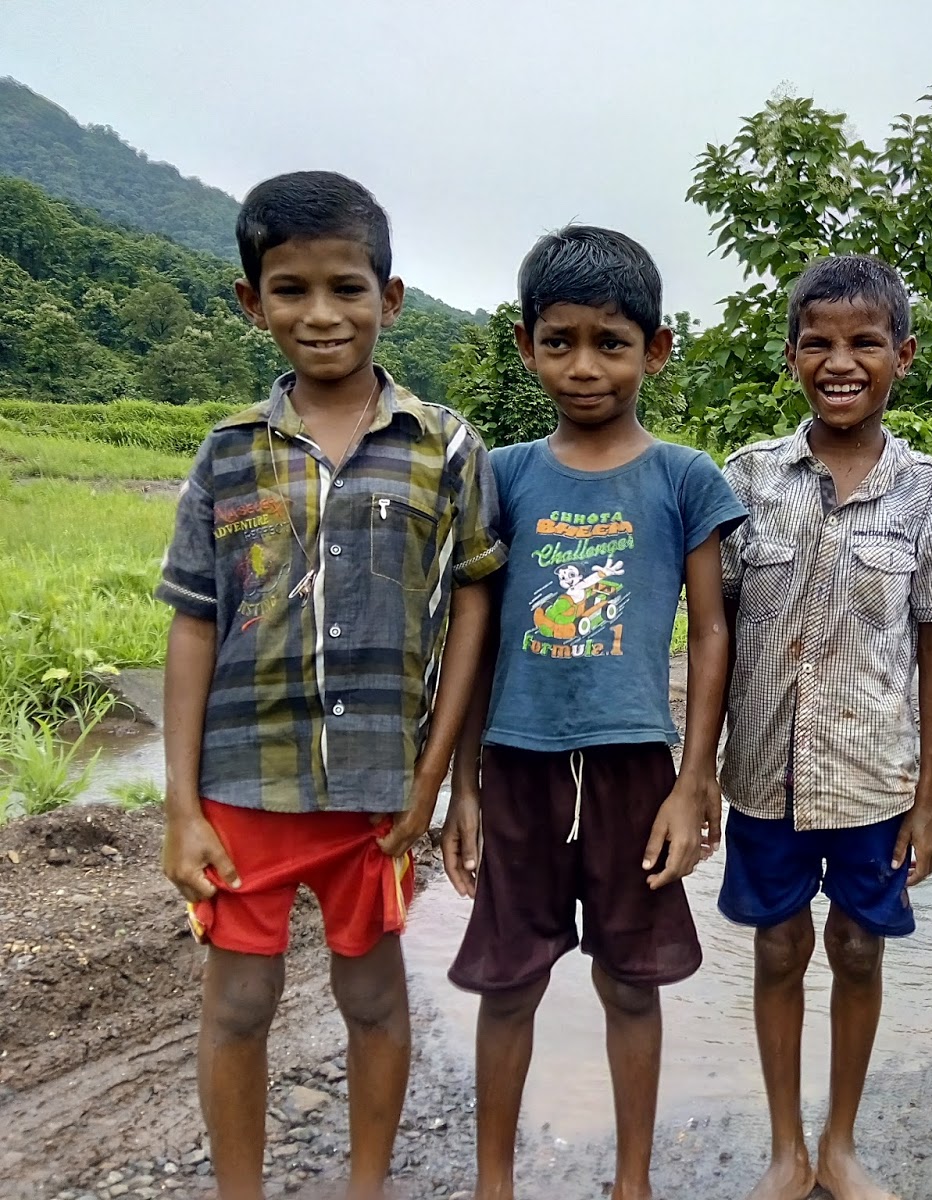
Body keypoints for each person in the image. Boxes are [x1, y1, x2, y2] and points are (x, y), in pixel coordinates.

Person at [156, 170, 505, 1200]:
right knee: (239, 1005)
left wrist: (440, 777)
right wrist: (181, 809)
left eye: (346, 287)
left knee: (373, 996)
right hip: (242, 782)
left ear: (388, 299)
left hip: (377, 787)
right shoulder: (226, 457)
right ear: (250, 300)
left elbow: (474, 606)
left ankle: (365, 1186)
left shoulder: (446, 447)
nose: (321, 314)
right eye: (291, 289)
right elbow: (191, 624)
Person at [441, 225, 746, 1200]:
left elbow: (709, 633)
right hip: (518, 764)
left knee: (631, 978)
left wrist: (695, 778)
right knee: (508, 980)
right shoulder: (506, 476)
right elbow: (475, 635)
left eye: (610, 343)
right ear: (525, 343)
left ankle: (632, 1183)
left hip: (633, 772)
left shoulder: (685, 479)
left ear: (655, 350)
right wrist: (464, 787)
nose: (584, 367)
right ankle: (494, 1182)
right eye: (560, 341)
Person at [719, 254, 932, 1200]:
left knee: (859, 948)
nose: (841, 361)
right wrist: (691, 776)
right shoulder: (747, 478)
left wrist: (931, 801)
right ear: (794, 355)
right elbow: (711, 634)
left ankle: (841, 1145)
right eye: (819, 342)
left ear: (902, 356)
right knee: (779, 945)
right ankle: (786, 1149)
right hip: (763, 777)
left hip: (875, 780)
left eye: (864, 342)